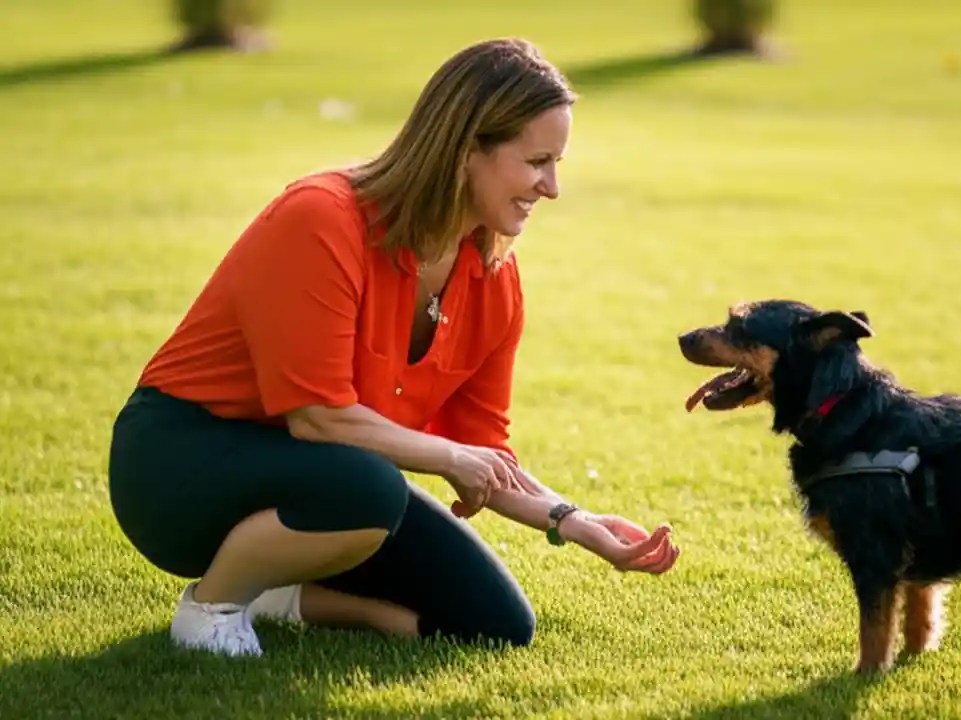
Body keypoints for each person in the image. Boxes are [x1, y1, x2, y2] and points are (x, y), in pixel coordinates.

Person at [107, 37, 680, 657]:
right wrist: (446, 457)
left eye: (557, 162)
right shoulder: (321, 219)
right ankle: (212, 606)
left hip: (329, 477)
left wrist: (574, 521)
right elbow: (318, 415)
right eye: (537, 160)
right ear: (467, 152)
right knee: (370, 490)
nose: (552, 187)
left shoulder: (495, 282)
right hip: (178, 465)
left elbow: (483, 447)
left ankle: (279, 594)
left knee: (493, 624)